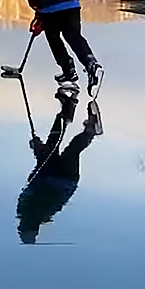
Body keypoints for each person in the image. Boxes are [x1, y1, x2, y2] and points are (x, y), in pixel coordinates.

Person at [16, 88, 102, 245]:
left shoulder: (38, 214)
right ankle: (70, 110)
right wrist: (39, 153)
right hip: (56, 179)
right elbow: (34, 185)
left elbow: (32, 185)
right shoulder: (31, 212)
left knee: (68, 149)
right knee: (60, 146)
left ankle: (75, 116)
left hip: (65, 181)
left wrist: (39, 154)